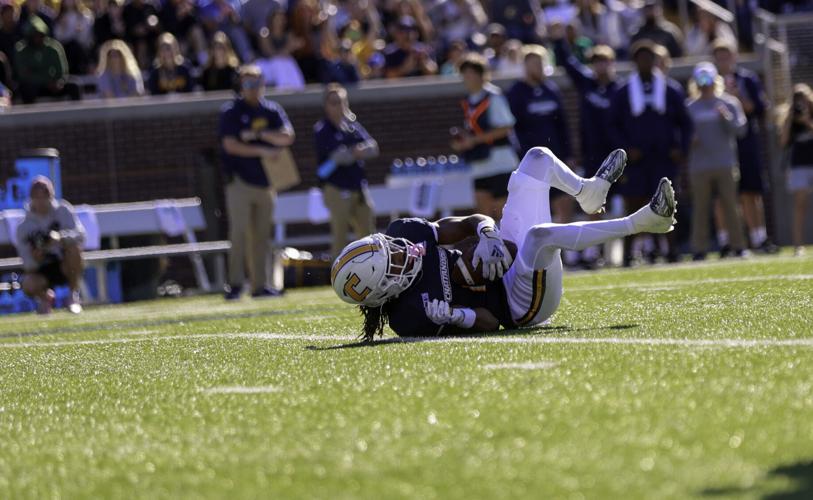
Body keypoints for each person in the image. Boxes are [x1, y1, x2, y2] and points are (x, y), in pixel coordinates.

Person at [330, 147, 677, 340]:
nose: (401, 250)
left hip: (503, 255)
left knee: (537, 160)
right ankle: (645, 222)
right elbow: (490, 323)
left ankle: (589, 192)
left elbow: (466, 222)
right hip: (518, 304)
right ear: (385, 289)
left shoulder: (404, 233)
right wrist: (456, 315)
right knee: (541, 235)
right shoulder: (408, 317)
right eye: (392, 259)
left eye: (388, 246)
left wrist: (486, 233)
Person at [609, 40, 692, 264]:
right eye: (641, 58)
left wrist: (679, 149)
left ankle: (670, 251)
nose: (646, 62)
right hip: (636, 162)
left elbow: (685, 123)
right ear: (635, 62)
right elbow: (613, 125)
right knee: (634, 206)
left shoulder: (670, 89)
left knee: (666, 204)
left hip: (663, 158)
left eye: (650, 58)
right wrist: (626, 150)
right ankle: (629, 254)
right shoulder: (624, 91)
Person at [219, 65, 295, 299]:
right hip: (239, 182)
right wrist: (263, 149)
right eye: (248, 84)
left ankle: (260, 286)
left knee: (262, 236)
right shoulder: (231, 111)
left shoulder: (271, 110)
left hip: (266, 183)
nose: (254, 89)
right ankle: (235, 284)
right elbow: (231, 145)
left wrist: (259, 136)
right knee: (239, 234)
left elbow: (287, 136)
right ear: (241, 86)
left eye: (258, 83)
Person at [506, 44, 575, 247]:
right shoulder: (517, 93)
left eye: (540, 63)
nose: (538, 67)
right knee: (536, 206)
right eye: (533, 63)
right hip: (532, 162)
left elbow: (563, 125)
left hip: (556, 158)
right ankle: (538, 249)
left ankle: (565, 248)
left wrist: (569, 153)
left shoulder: (551, 90)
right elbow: (513, 129)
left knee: (564, 201)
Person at [712, 40, 777, 253]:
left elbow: (759, 108)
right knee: (723, 196)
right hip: (721, 147)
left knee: (751, 191)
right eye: (719, 57)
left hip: (746, 143)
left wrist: (737, 96)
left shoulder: (747, 79)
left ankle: (759, 237)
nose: (723, 62)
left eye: (726, 56)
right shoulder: (710, 83)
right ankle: (726, 241)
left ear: (734, 57)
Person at [685, 62, 747, 260]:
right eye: (701, 79)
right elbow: (679, 136)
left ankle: (739, 246)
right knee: (700, 209)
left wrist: (726, 118)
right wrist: (689, 140)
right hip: (699, 166)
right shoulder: (689, 107)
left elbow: (741, 130)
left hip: (725, 163)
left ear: (715, 79)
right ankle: (699, 249)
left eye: (708, 78)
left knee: (731, 206)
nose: (705, 84)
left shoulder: (729, 103)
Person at [450, 52, 518, 220]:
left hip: (500, 162)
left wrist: (474, 140)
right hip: (479, 164)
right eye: (464, 74)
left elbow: (506, 127)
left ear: (482, 75)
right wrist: (463, 142)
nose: (467, 78)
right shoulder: (468, 101)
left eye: (471, 73)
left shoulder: (493, 96)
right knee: (483, 215)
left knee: (504, 213)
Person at [314, 84, 378, 258]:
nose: (339, 106)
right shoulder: (323, 129)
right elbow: (339, 157)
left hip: (358, 186)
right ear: (326, 105)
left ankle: (370, 272)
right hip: (336, 186)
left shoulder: (353, 126)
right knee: (340, 235)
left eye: (342, 101)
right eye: (334, 102)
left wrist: (354, 152)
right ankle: (337, 276)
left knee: (368, 235)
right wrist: (356, 152)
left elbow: (373, 148)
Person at [15, 176, 84, 315]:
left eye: (45, 196)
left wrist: (60, 238)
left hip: (64, 264)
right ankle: (45, 299)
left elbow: (81, 235)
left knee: (74, 249)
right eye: (37, 197)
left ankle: (72, 296)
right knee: (28, 284)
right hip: (41, 270)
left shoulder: (63, 211)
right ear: (31, 199)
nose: (41, 201)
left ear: (51, 196)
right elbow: (27, 264)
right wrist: (38, 256)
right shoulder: (24, 227)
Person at [14, 16, 80, 104]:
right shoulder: (21, 50)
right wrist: (45, 81)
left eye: (40, 35)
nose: (37, 38)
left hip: (53, 86)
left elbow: (62, 72)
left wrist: (59, 82)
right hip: (35, 87)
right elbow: (24, 74)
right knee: (25, 88)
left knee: (74, 85)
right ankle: (30, 116)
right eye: (34, 35)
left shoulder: (53, 48)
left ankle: (76, 116)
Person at [780, 83, 813, 257]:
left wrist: (807, 122)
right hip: (798, 166)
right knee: (800, 206)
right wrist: (790, 119)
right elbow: (783, 142)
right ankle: (798, 245)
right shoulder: (791, 119)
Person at [53, 0, 93, 75]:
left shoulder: (83, 16)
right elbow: (57, 38)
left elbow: (86, 39)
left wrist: (79, 32)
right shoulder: (59, 17)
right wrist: (63, 28)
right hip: (65, 50)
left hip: (80, 51)